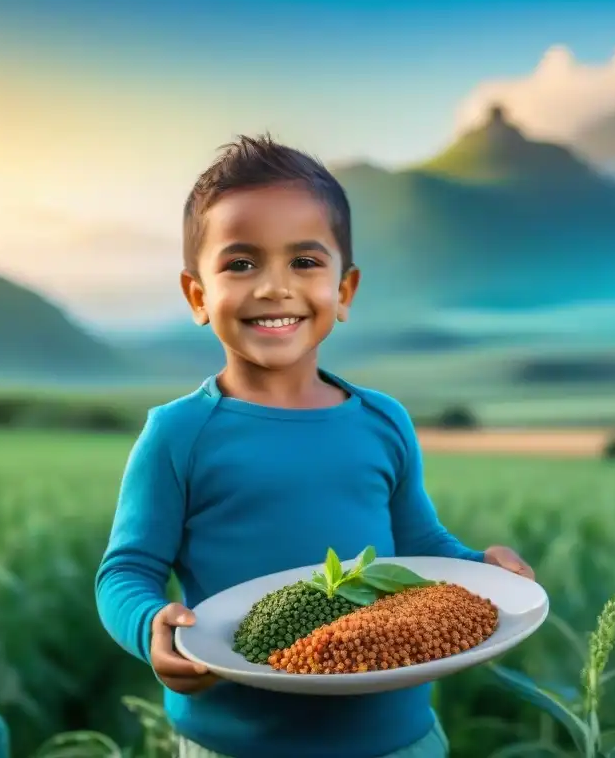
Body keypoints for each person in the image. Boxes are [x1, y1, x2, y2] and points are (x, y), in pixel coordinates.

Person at [94, 134, 535, 758]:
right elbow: (127, 571)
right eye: (241, 264)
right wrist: (150, 626)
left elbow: (418, 546)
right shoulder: (178, 434)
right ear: (198, 295)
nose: (275, 287)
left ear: (345, 290)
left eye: (304, 262)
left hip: (394, 738)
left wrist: (478, 570)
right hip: (234, 742)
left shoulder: (383, 421)